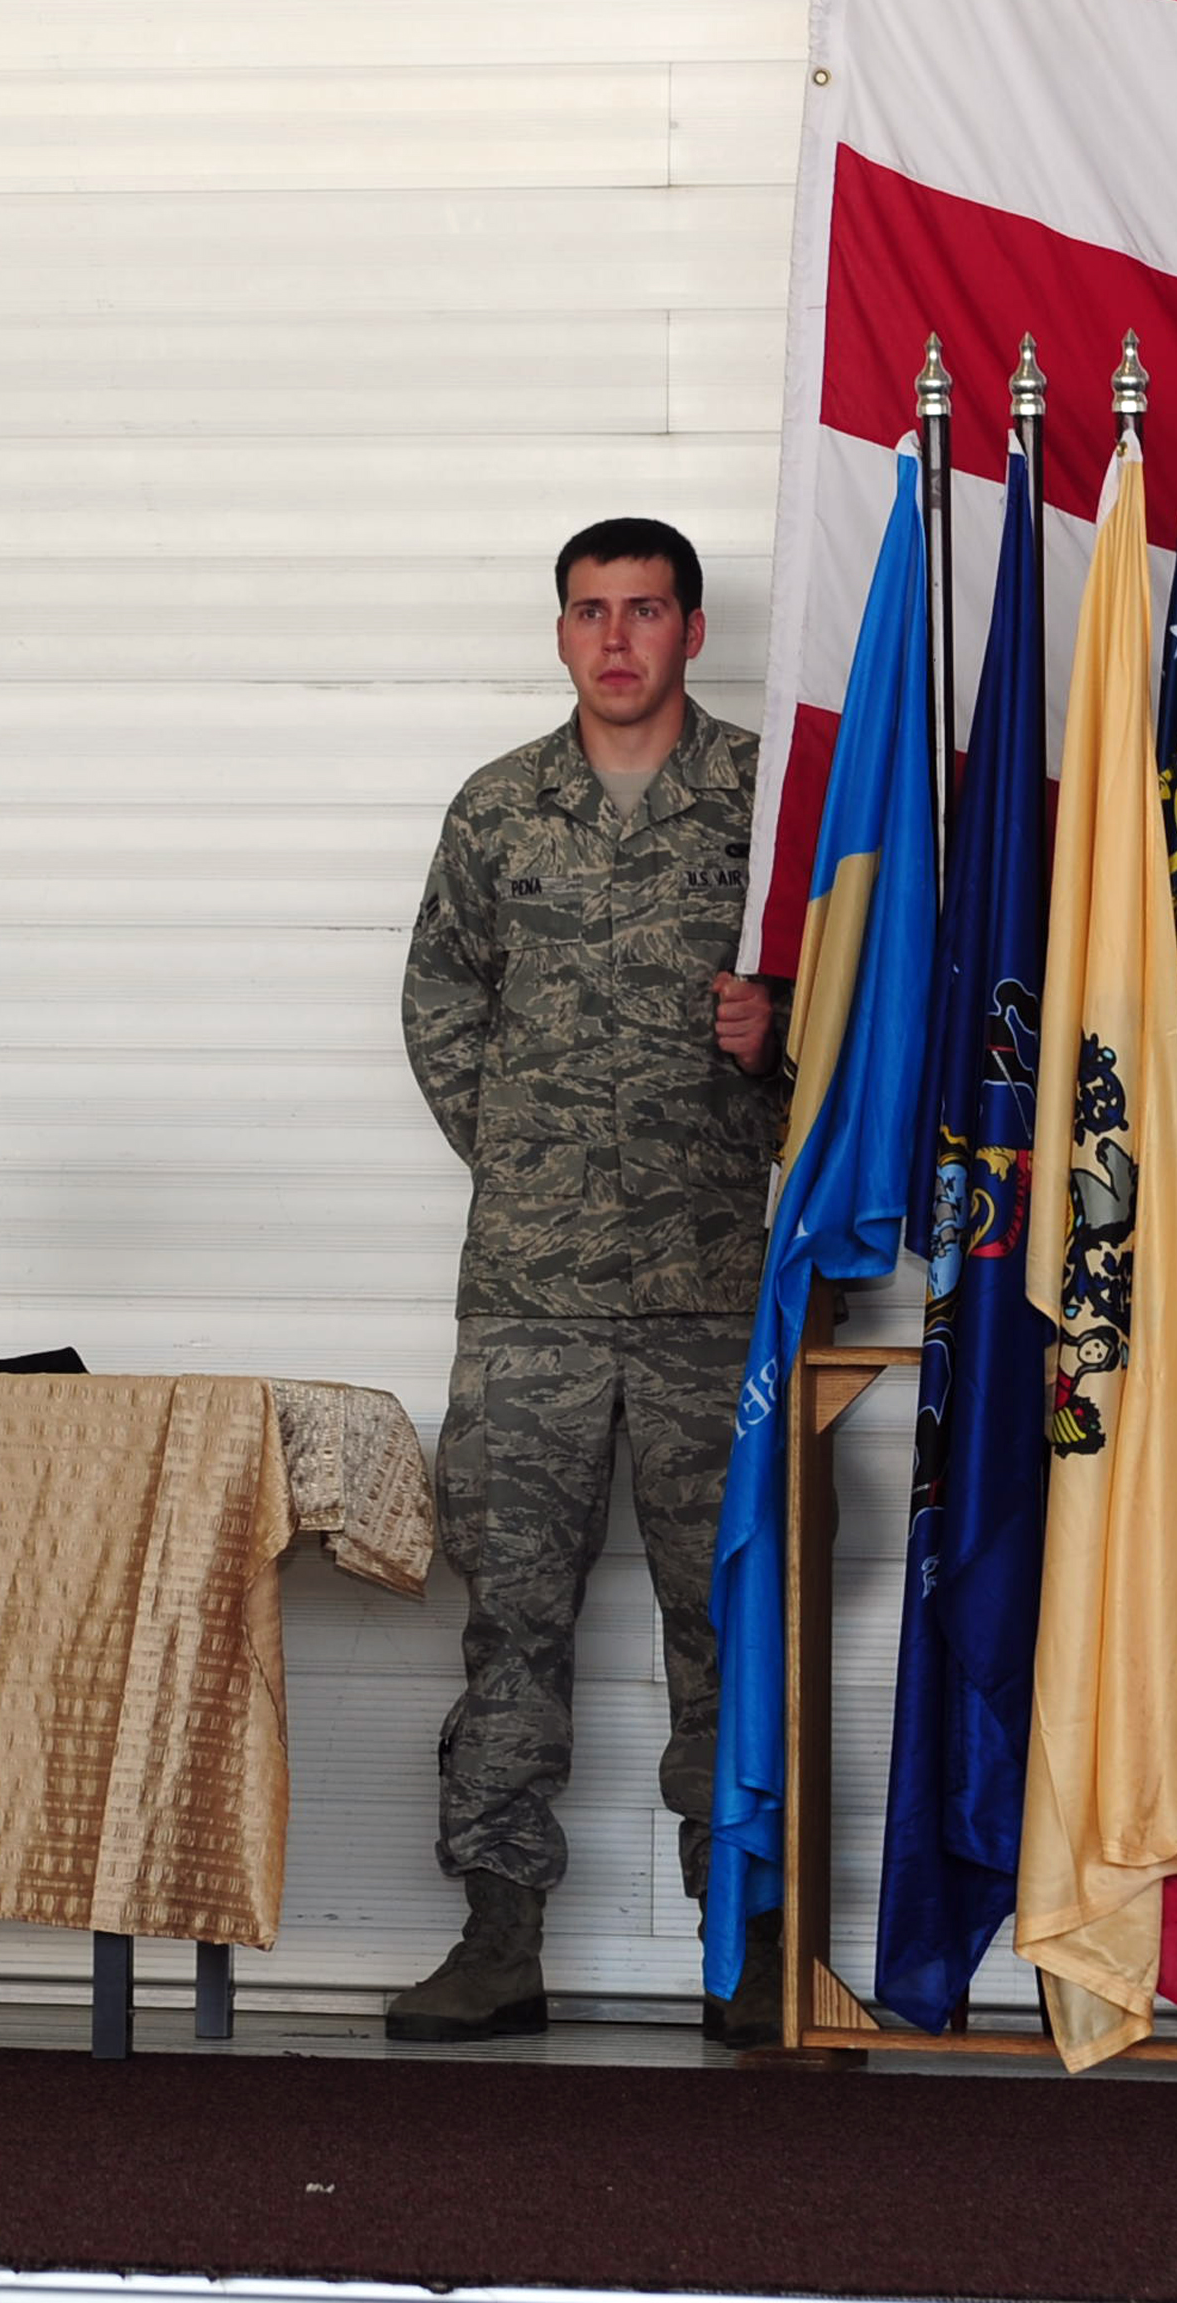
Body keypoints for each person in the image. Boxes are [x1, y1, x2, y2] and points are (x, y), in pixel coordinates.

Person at [392, 516, 785, 2044]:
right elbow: (440, 1001)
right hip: (534, 1296)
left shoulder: (766, 801)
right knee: (512, 1623)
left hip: (711, 1287)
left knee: (730, 1622)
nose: (615, 641)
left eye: (644, 611)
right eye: (587, 614)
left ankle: (746, 1950)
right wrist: (524, 1158)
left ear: (693, 628)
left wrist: (782, 1046)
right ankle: (496, 1941)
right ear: (560, 634)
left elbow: (867, 1009)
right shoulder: (500, 811)